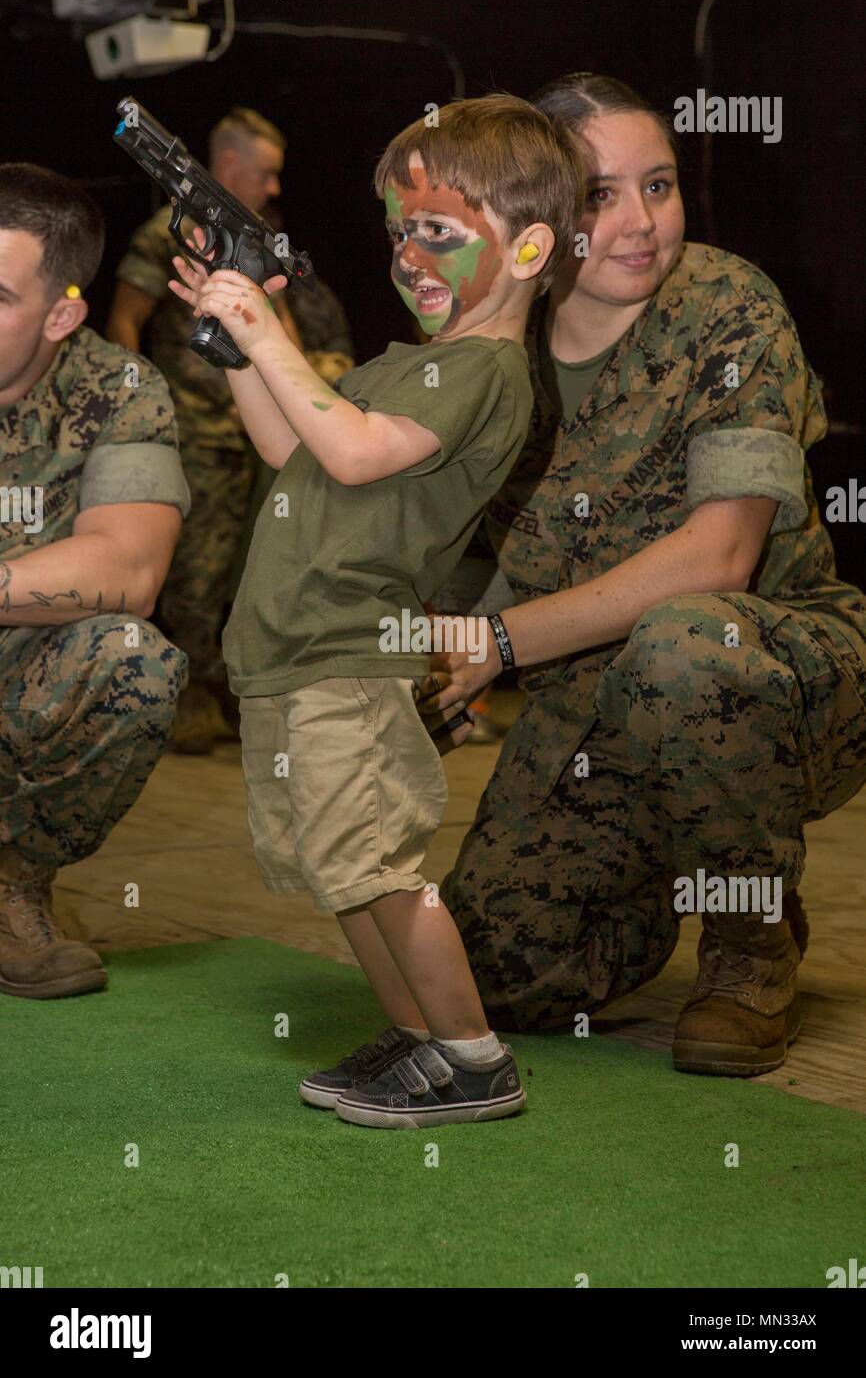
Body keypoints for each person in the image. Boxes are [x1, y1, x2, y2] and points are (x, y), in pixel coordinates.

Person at [418, 74, 866, 1077]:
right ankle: (687, 853)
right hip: (596, 701)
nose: (637, 223)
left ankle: (749, 939)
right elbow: (456, 562)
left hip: (777, 670)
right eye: (597, 196)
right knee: (496, 969)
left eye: (656, 187)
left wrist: (492, 648)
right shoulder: (492, 351)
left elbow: (721, 556)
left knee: (683, 645)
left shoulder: (724, 306)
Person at [170, 95, 583, 1127]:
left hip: (348, 657)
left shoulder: (481, 369)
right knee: (341, 870)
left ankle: (474, 1057)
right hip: (291, 654)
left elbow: (352, 449)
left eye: (439, 231)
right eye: (401, 231)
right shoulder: (409, 364)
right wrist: (237, 352)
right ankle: (418, 1040)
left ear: (529, 247)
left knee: (385, 872)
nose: (409, 253)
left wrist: (271, 335)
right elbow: (292, 445)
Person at [107, 108, 353, 754]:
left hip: (256, 430)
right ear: (229, 169)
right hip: (194, 428)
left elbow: (283, 341)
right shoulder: (167, 232)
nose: (274, 188)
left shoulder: (254, 238)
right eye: (265, 174)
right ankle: (183, 697)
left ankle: (219, 688)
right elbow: (125, 319)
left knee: (238, 569)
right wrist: (137, 411)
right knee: (194, 572)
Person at [0, 164, 190, 998]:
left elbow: (131, 566)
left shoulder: (117, 388)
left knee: (134, 659)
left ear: (61, 314)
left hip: (19, 672)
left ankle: (10, 884)